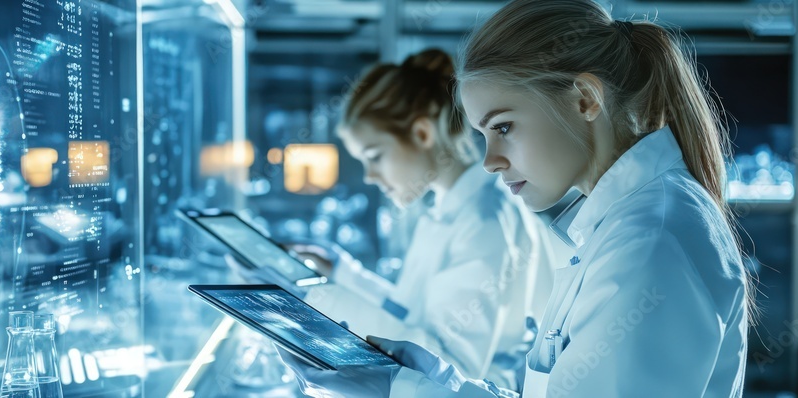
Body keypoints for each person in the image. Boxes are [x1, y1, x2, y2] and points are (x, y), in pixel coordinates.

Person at [278, 0, 751, 397]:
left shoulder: (650, 240)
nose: (491, 161)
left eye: (504, 127)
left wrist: (403, 390)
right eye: (485, 134)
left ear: (585, 100)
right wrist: (433, 379)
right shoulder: (619, 225)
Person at [298, 48, 563, 388]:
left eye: (375, 155)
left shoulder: (485, 221)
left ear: (422, 133)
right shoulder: (447, 208)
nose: (369, 176)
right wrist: (343, 275)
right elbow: (413, 316)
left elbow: (447, 364)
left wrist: (318, 296)